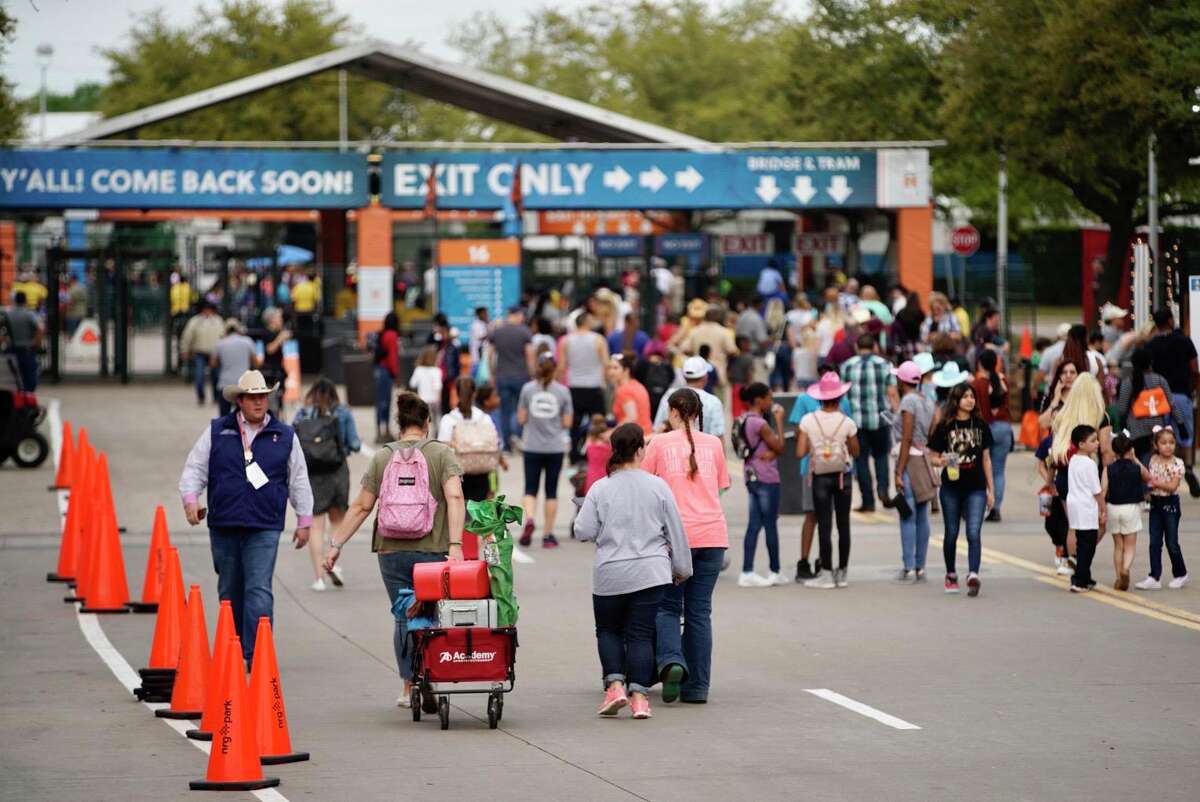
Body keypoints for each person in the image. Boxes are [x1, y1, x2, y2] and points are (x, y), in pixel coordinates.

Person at [323, 392, 465, 709]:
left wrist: (336, 545)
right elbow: (455, 497)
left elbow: (361, 506)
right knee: (432, 614)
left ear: (398, 425)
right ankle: (431, 673)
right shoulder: (442, 454)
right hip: (432, 549)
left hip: (391, 550)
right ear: (428, 423)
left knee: (403, 616)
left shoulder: (383, 456)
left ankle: (408, 686)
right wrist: (455, 544)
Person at [178, 370, 313, 664]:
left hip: (264, 525)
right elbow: (195, 468)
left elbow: (298, 479)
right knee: (229, 588)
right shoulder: (218, 430)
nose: (259, 403)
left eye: (263, 397)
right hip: (224, 523)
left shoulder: (284, 435)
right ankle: (234, 647)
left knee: (258, 587)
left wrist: (304, 520)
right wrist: (191, 499)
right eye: (253, 397)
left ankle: (257, 655)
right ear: (240, 400)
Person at [574, 423, 692, 720]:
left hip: (610, 573)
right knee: (641, 633)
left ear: (614, 450)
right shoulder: (658, 486)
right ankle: (640, 698)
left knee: (609, 630)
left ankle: (615, 686)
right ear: (641, 449)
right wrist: (681, 568)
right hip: (650, 572)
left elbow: (583, 530)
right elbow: (676, 531)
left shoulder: (600, 488)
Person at [641, 389, 729, 704]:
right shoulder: (715, 444)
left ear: (676, 411)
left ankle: (671, 662)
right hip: (713, 537)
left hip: (674, 540)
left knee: (667, 607)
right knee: (699, 612)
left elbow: (644, 485)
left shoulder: (660, 443)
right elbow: (721, 486)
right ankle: (698, 688)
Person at [293, 378, 361, 591]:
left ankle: (319, 578)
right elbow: (355, 444)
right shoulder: (343, 412)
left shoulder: (302, 413)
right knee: (337, 522)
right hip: (337, 471)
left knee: (315, 526)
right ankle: (333, 563)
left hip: (312, 474)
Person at [927, 383, 994, 597]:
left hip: (976, 487)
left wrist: (991, 490)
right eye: (965, 396)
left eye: (972, 396)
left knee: (973, 531)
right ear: (956, 400)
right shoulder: (945, 426)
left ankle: (973, 574)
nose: (970, 400)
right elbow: (932, 457)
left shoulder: (981, 425)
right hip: (951, 488)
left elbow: (986, 459)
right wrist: (942, 461)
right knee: (952, 533)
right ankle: (951, 573)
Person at [795, 372, 860, 589]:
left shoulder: (808, 420)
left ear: (820, 397)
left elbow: (800, 451)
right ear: (840, 397)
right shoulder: (847, 422)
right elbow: (856, 451)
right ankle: (842, 573)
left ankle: (825, 573)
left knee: (824, 524)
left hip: (820, 477)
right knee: (844, 524)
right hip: (843, 477)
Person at [517, 354, 573, 548]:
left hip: (532, 445)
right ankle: (548, 535)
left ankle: (530, 519)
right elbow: (567, 422)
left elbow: (522, 418)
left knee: (530, 488)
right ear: (555, 369)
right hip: (554, 447)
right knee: (551, 492)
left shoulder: (527, 389)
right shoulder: (563, 392)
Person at [737, 383, 788, 587]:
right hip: (767, 477)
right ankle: (775, 570)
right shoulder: (760, 423)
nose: (771, 402)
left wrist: (772, 451)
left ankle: (747, 571)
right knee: (770, 525)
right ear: (759, 400)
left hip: (752, 475)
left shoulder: (743, 419)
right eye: (769, 398)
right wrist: (779, 421)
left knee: (754, 525)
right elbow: (780, 446)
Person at [1146, 308, 1200, 496]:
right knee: (1185, 433)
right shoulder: (1184, 342)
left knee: (1160, 433)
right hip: (1180, 393)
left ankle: (1163, 466)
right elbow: (1194, 368)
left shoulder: (1151, 345)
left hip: (1159, 396)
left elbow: (1148, 370)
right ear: (1170, 321)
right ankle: (1187, 467)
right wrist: (1195, 388)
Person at [839, 333, 896, 512]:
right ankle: (883, 491)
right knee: (881, 457)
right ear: (875, 347)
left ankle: (868, 500)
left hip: (857, 422)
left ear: (857, 347)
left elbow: (843, 396)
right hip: (880, 419)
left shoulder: (847, 366)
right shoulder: (885, 365)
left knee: (860, 459)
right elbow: (892, 393)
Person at [892, 361, 937, 583]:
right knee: (922, 516)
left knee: (907, 515)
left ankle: (908, 566)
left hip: (909, 460)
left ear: (901, 381)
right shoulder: (927, 400)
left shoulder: (908, 401)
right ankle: (921, 566)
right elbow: (931, 430)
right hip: (924, 459)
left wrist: (898, 471)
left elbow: (906, 436)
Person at [1134, 427, 1188, 590]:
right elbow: (1145, 477)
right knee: (1154, 541)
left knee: (1171, 542)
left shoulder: (1177, 463)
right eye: (1163, 443)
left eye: (1171, 442)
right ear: (1156, 445)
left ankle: (1181, 574)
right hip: (1156, 504)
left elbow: (1172, 486)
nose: (1168, 446)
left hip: (1170, 504)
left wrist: (1154, 483)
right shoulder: (1152, 460)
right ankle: (1154, 576)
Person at [1116, 347, 1186, 463]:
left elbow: (1122, 409)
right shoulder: (1160, 380)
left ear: (1133, 363)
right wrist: (1181, 425)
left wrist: (1122, 425)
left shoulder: (1129, 382)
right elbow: (1172, 404)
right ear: (1150, 362)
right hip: (1157, 431)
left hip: (1136, 433)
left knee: (1140, 466)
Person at [559, 311, 610, 463]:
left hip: (574, 386)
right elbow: (606, 364)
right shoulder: (599, 340)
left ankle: (574, 454)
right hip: (594, 386)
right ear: (587, 322)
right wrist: (606, 383)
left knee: (574, 423)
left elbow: (562, 367)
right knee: (598, 422)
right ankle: (597, 453)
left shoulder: (566, 341)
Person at [1106, 433, 1148, 591]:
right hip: (1131, 508)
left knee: (1118, 546)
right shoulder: (1136, 468)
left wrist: (1102, 511)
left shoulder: (1108, 469)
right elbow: (1148, 477)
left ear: (1114, 451)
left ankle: (1118, 577)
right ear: (1130, 449)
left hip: (1113, 508)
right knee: (1130, 546)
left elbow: (1103, 490)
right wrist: (1135, 459)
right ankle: (1126, 568)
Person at [1066, 425, 1105, 593]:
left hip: (1074, 505)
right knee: (1088, 546)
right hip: (1087, 507)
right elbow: (1096, 491)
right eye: (1093, 440)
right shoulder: (1090, 464)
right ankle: (1079, 580)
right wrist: (1103, 509)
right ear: (1081, 444)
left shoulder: (1073, 460)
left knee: (1082, 542)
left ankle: (1085, 577)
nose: (1097, 443)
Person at [974, 349, 1012, 522]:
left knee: (981, 468)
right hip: (1004, 427)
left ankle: (978, 506)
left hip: (985, 427)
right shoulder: (1002, 380)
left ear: (980, 363)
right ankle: (996, 508)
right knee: (998, 470)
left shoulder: (977, 384)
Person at [491, 306, 535, 452]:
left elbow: (491, 355)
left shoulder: (497, 332)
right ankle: (519, 437)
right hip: (521, 376)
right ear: (517, 315)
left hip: (502, 376)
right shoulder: (524, 331)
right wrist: (532, 373)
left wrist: (493, 374)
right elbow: (529, 354)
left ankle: (507, 445)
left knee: (504, 411)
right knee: (521, 409)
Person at [677, 305, 738, 403]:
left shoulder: (695, 331)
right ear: (718, 317)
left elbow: (684, 348)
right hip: (718, 374)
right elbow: (733, 351)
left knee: (697, 404)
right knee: (718, 404)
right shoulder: (724, 332)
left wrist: (694, 353)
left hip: (698, 372)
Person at [652, 355, 725, 437]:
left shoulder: (669, 395)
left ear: (684, 376)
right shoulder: (713, 402)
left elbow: (657, 429)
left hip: (672, 448)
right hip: (703, 449)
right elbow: (718, 436)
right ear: (705, 377)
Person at [179, 301, 225, 406]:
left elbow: (223, 336)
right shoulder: (195, 321)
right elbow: (187, 336)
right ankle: (201, 397)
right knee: (199, 376)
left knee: (216, 376)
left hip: (214, 353)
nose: (207, 311)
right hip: (199, 352)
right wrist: (184, 350)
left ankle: (216, 397)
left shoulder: (218, 321)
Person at [212, 319, 259, 418]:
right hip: (244, 385)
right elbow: (256, 363)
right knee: (243, 416)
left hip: (225, 384)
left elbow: (213, 364)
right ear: (239, 329)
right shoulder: (247, 341)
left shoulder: (220, 343)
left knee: (223, 418)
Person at [254, 308, 291, 416]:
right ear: (272, 320)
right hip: (270, 373)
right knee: (272, 402)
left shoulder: (277, 332)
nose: (281, 320)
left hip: (279, 370)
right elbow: (269, 349)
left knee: (280, 400)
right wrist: (280, 338)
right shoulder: (266, 333)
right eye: (279, 317)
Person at [5, 291, 43, 391]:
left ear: (15, 300)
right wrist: (37, 342)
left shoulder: (8, 314)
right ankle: (27, 400)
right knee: (30, 378)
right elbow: (40, 328)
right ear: (25, 300)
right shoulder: (29, 314)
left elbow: (3, 331)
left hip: (12, 350)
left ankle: (19, 399)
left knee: (15, 378)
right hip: (27, 350)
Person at [607, 352, 652, 435]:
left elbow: (631, 417)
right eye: (609, 368)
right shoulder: (638, 385)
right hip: (646, 433)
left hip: (633, 438)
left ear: (626, 370)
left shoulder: (624, 390)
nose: (611, 372)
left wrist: (612, 432)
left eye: (615, 368)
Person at [373, 312, 401, 444]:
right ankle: (385, 432)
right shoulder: (392, 335)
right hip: (386, 372)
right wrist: (395, 374)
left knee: (380, 402)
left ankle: (380, 431)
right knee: (385, 402)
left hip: (379, 370)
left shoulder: (383, 334)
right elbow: (392, 357)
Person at [409, 345, 444, 424]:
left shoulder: (418, 370)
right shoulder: (436, 370)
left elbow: (412, 384)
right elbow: (438, 386)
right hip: (434, 400)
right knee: (435, 421)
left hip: (422, 400)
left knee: (423, 421)